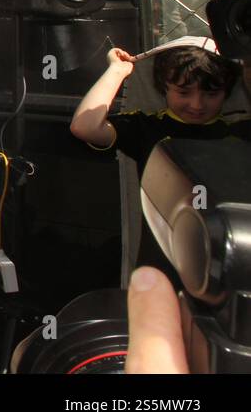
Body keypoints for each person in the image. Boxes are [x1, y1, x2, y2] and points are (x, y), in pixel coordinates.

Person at [70, 38, 251, 285]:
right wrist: (117, 71)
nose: (197, 104)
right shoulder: (148, 128)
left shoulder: (239, 131)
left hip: (231, 263)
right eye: (184, 92)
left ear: (228, 91)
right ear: (164, 87)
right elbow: (85, 126)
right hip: (164, 262)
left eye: (211, 93)